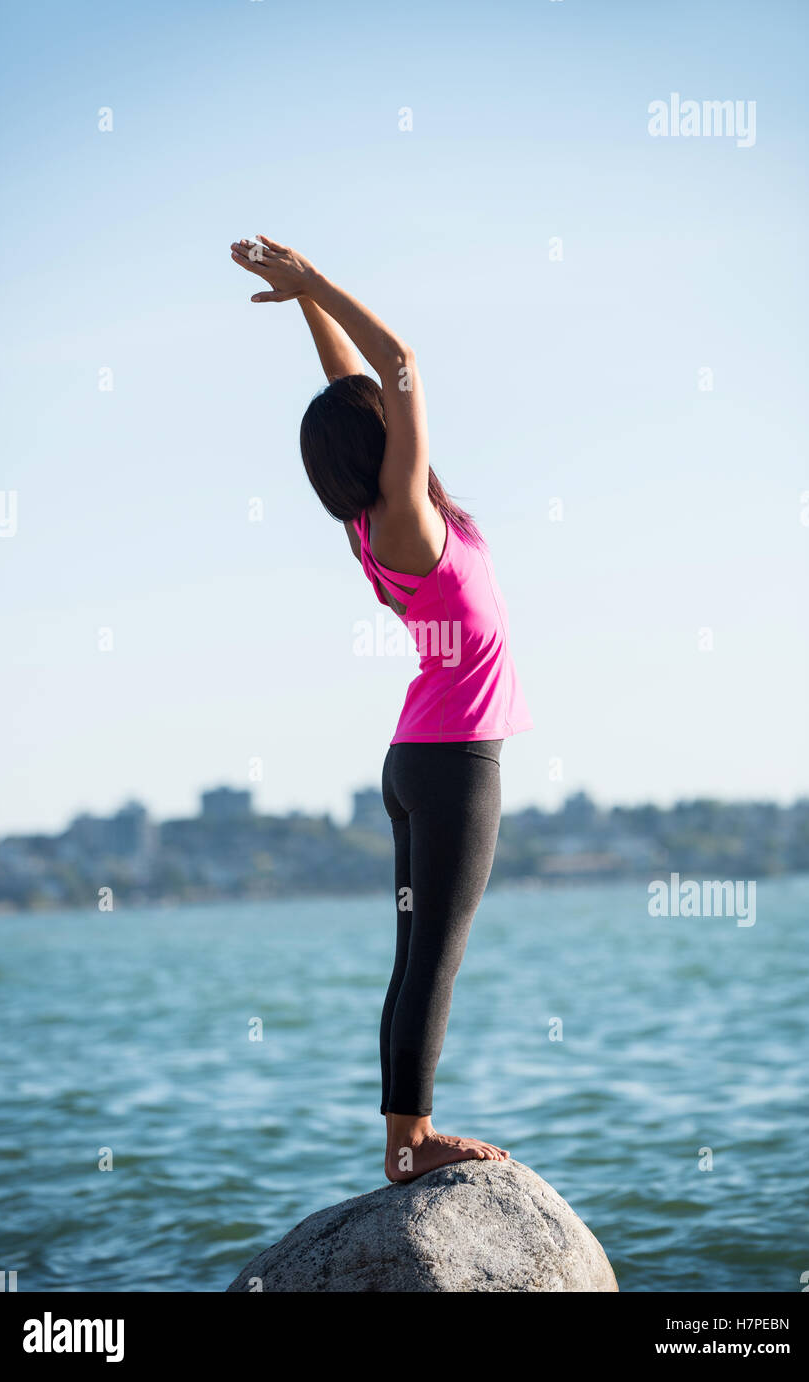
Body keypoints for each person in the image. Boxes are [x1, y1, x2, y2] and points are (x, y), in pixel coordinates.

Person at [230, 234, 534, 1182]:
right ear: (381, 446)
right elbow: (397, 369)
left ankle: (401, 1134)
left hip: (419, 758)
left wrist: (305, 306)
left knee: (414, 959)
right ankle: (409, 1142)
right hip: (451, 764)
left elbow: (357, 383)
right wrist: (316, 276)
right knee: (432, 959)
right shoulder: (402, 517)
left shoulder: (373, 522)